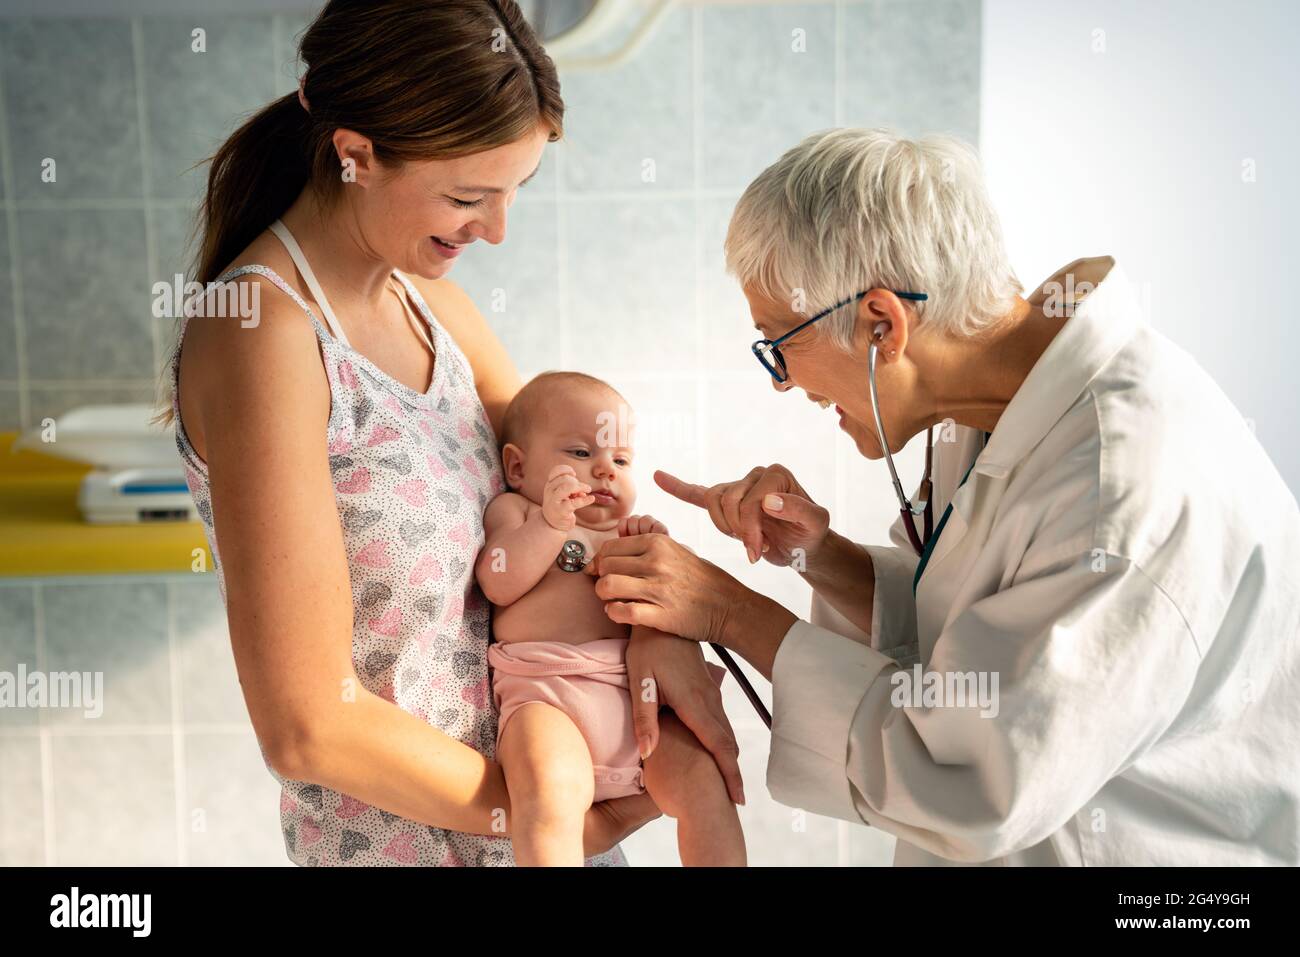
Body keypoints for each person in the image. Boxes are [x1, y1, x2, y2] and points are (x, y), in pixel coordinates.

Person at [590, 127, 1300, 865]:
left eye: (779, 345)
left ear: (881, 325)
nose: (784, 382)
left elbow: (977, 777)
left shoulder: (1122, 487)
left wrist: (732, 611)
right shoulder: (997, 406)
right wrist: (821, 558)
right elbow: (970, 628)